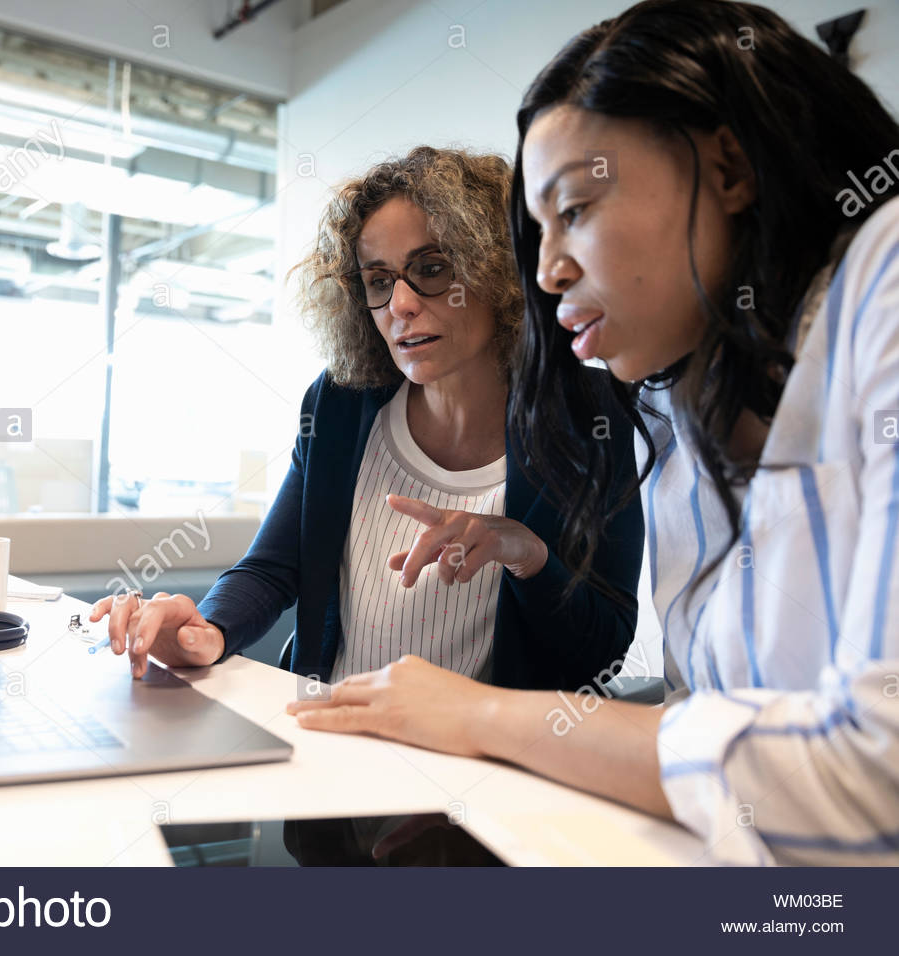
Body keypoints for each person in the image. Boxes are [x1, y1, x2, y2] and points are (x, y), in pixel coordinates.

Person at [287, 0, 899, 865]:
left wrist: (483, 716)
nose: (546, 269)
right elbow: (710, 733)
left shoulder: (886, 278)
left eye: (574, 209)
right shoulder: (677, 408)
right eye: (536, 232)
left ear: (728, 167)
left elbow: (877, 772)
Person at [90, 146, 644, 697]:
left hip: (483, 767)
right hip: (330, 736)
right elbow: (273, 567)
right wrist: (205, 629)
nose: (400, 303)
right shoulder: (342, 403)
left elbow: (602, 651)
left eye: (431, 269)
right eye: (379, 281)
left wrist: (528, 556)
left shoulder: (588, 416)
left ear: (499, 272)